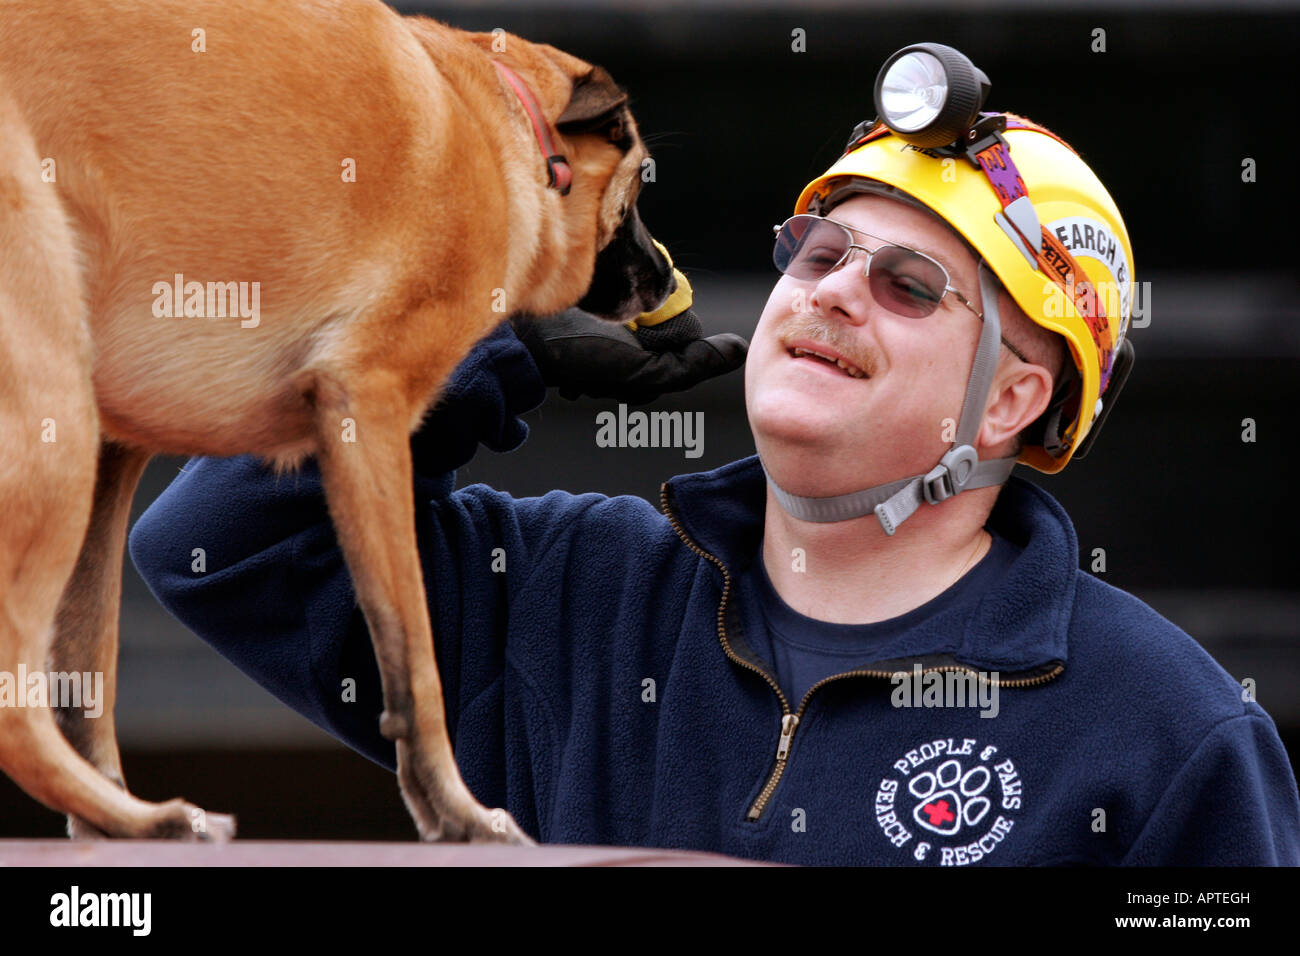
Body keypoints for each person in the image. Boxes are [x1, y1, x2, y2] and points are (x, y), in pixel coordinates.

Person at [130, 45, 1300, 865]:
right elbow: (216, 541)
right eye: (819, 250)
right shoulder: (577, 593)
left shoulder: (1163, 732)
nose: (834, 290)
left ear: (1012, 400)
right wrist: (471, 344)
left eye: (906, 285)